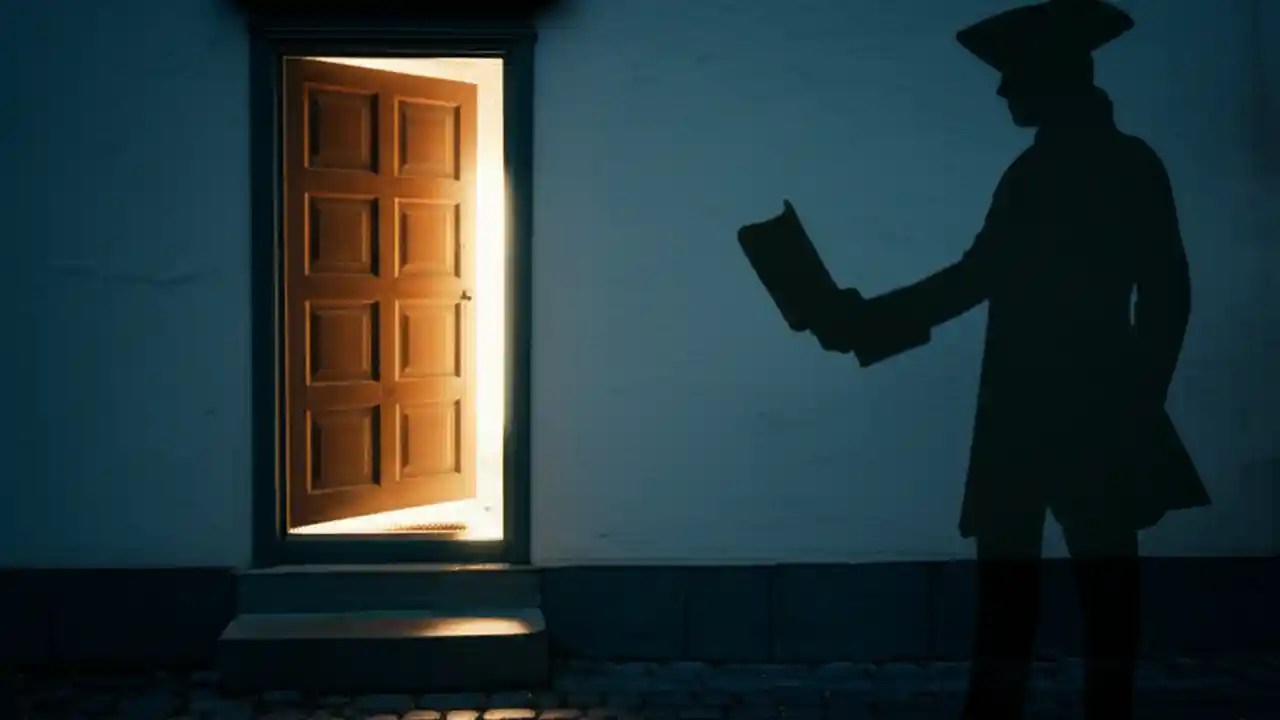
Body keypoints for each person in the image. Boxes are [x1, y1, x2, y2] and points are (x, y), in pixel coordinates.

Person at [810, 1, 1211, 718]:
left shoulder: (1043, 172)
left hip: (1032, 408)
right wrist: (1139, 397)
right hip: (1095, 403)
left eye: (1012, 78)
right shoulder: (1121, 163)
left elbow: (977, 277)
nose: (1001, 94)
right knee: (1104, 590)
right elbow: (1166, 295)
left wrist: (867, 321)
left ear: (1048, 80)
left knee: (1014, 596)